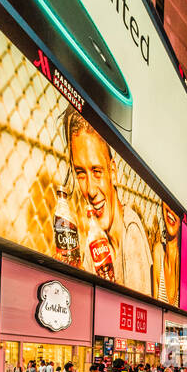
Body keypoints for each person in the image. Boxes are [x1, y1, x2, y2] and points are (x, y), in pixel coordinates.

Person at [66, 110, 153, 295]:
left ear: (112, 171)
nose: (90, 190)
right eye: (81, 173)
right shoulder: (95, 242)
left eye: (97, 171)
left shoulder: (131, 232)